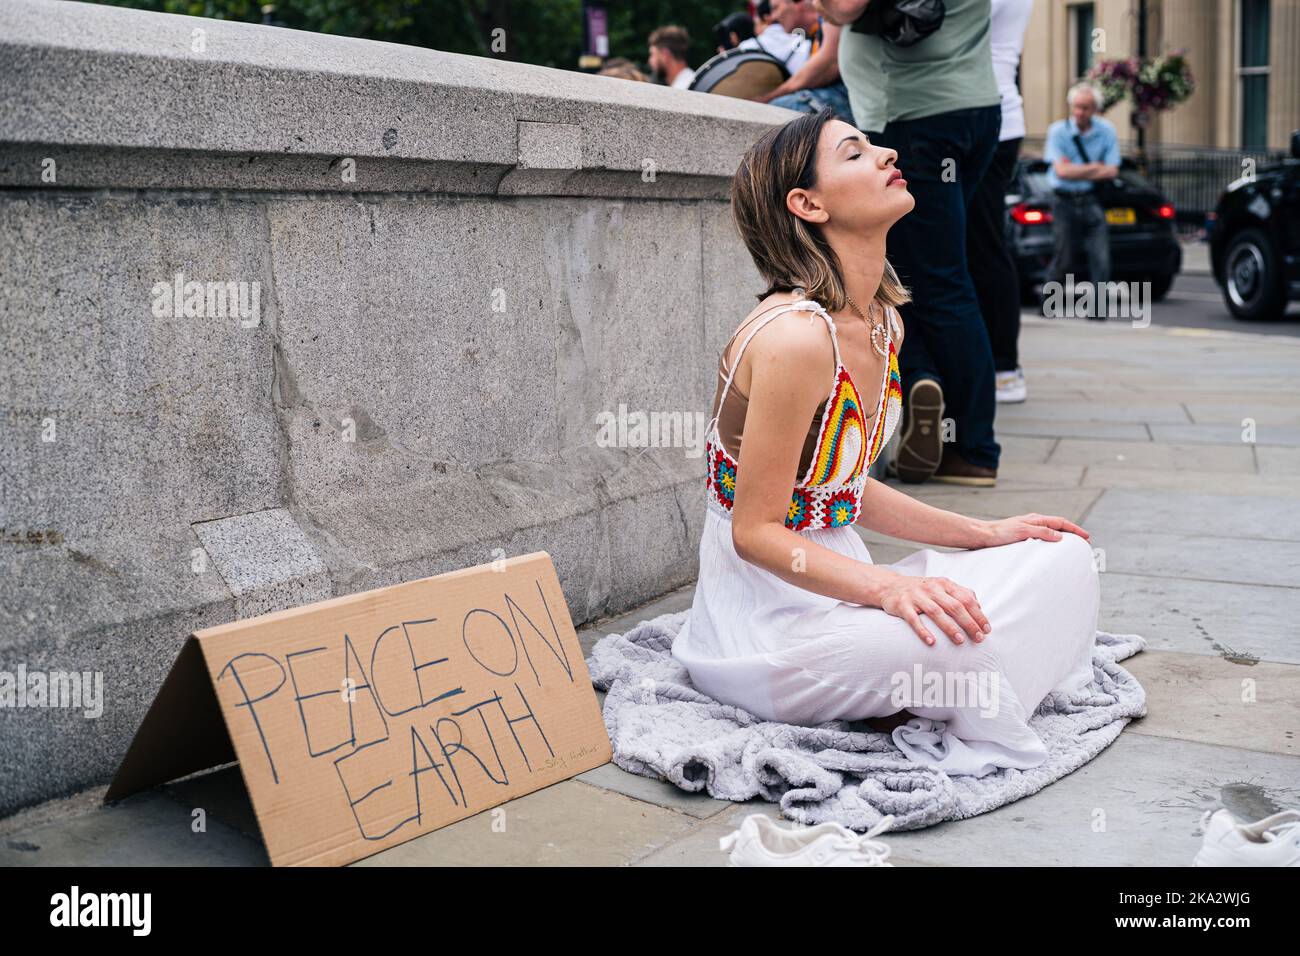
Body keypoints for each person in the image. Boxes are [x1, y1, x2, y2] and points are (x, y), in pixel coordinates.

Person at [673, 109, 1101, 778]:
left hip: (845, 591)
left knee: (1064, 555)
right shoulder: (793, 337)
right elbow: (753, 531)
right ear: (806, 203)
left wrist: (985, 533)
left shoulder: (882, 321)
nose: (885, 154)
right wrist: (885, 591)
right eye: (854, 153)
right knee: (965, 655)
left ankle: (923, 688)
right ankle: (950, 687)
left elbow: (846, 489)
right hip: (766, 628)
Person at [824, 0, 1002, 487]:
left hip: (914, 115)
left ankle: (973, 447)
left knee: (930, 280)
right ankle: (930, 387)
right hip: (976, 109)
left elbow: (843, 7)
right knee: (926, 272)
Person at [968, 0, 1034, 402]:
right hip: (998, 118)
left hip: (987, 119)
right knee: (980, 244)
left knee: (983, 245)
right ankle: (1000, 365)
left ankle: (1004, 367)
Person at [1043, 82, 1121, 320]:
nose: (1079, 113)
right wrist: (1094, 167)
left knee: (1101, 257)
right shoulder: (1058, 132)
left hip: (1090, 200)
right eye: (1076, 107)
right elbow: (1061, 172)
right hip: (1063, 201)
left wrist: (1077, 169)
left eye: (1085, 108)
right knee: (1064, 257)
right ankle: (1048, 305)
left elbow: (1112, 171)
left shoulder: (1106, 131)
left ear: (1095, 109)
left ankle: (1097, 312)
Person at [751, 2, 855, 125]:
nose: (773, 17)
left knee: (769, 111)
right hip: (850, 101)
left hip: (850, 101)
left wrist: (769, 97)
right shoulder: (813, 32)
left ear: (797, 3)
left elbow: (830, 62)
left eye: (776, 8)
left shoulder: (830, 12)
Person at [648, 25, 696, 90]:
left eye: (653, 54)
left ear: (665, 54)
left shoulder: (683, 88)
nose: (650, 60)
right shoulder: (690, 82)